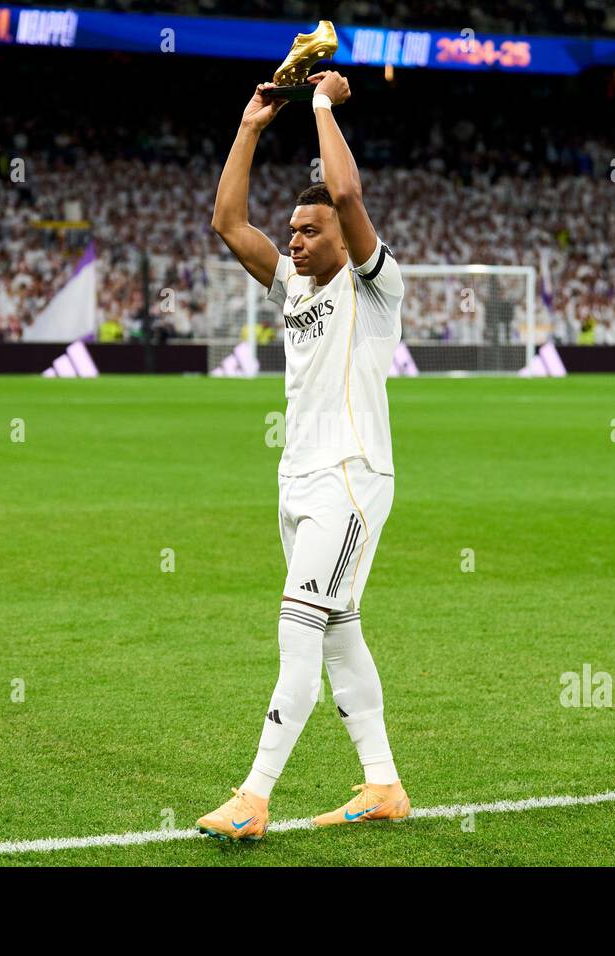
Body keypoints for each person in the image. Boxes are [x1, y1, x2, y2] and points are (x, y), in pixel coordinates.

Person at [196, 71, 409, 841]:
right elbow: (226, 221)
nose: (294, 238)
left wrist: (320, 108)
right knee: (339, 627)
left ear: (341, 242)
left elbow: (348, 198)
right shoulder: (293, 284)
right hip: (296, 479)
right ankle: (383, 782)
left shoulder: (372, 287)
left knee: (298, 625)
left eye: (306, 231)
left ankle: (255, 795)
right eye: (291, 229)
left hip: (350, 478)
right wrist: (251, 124)